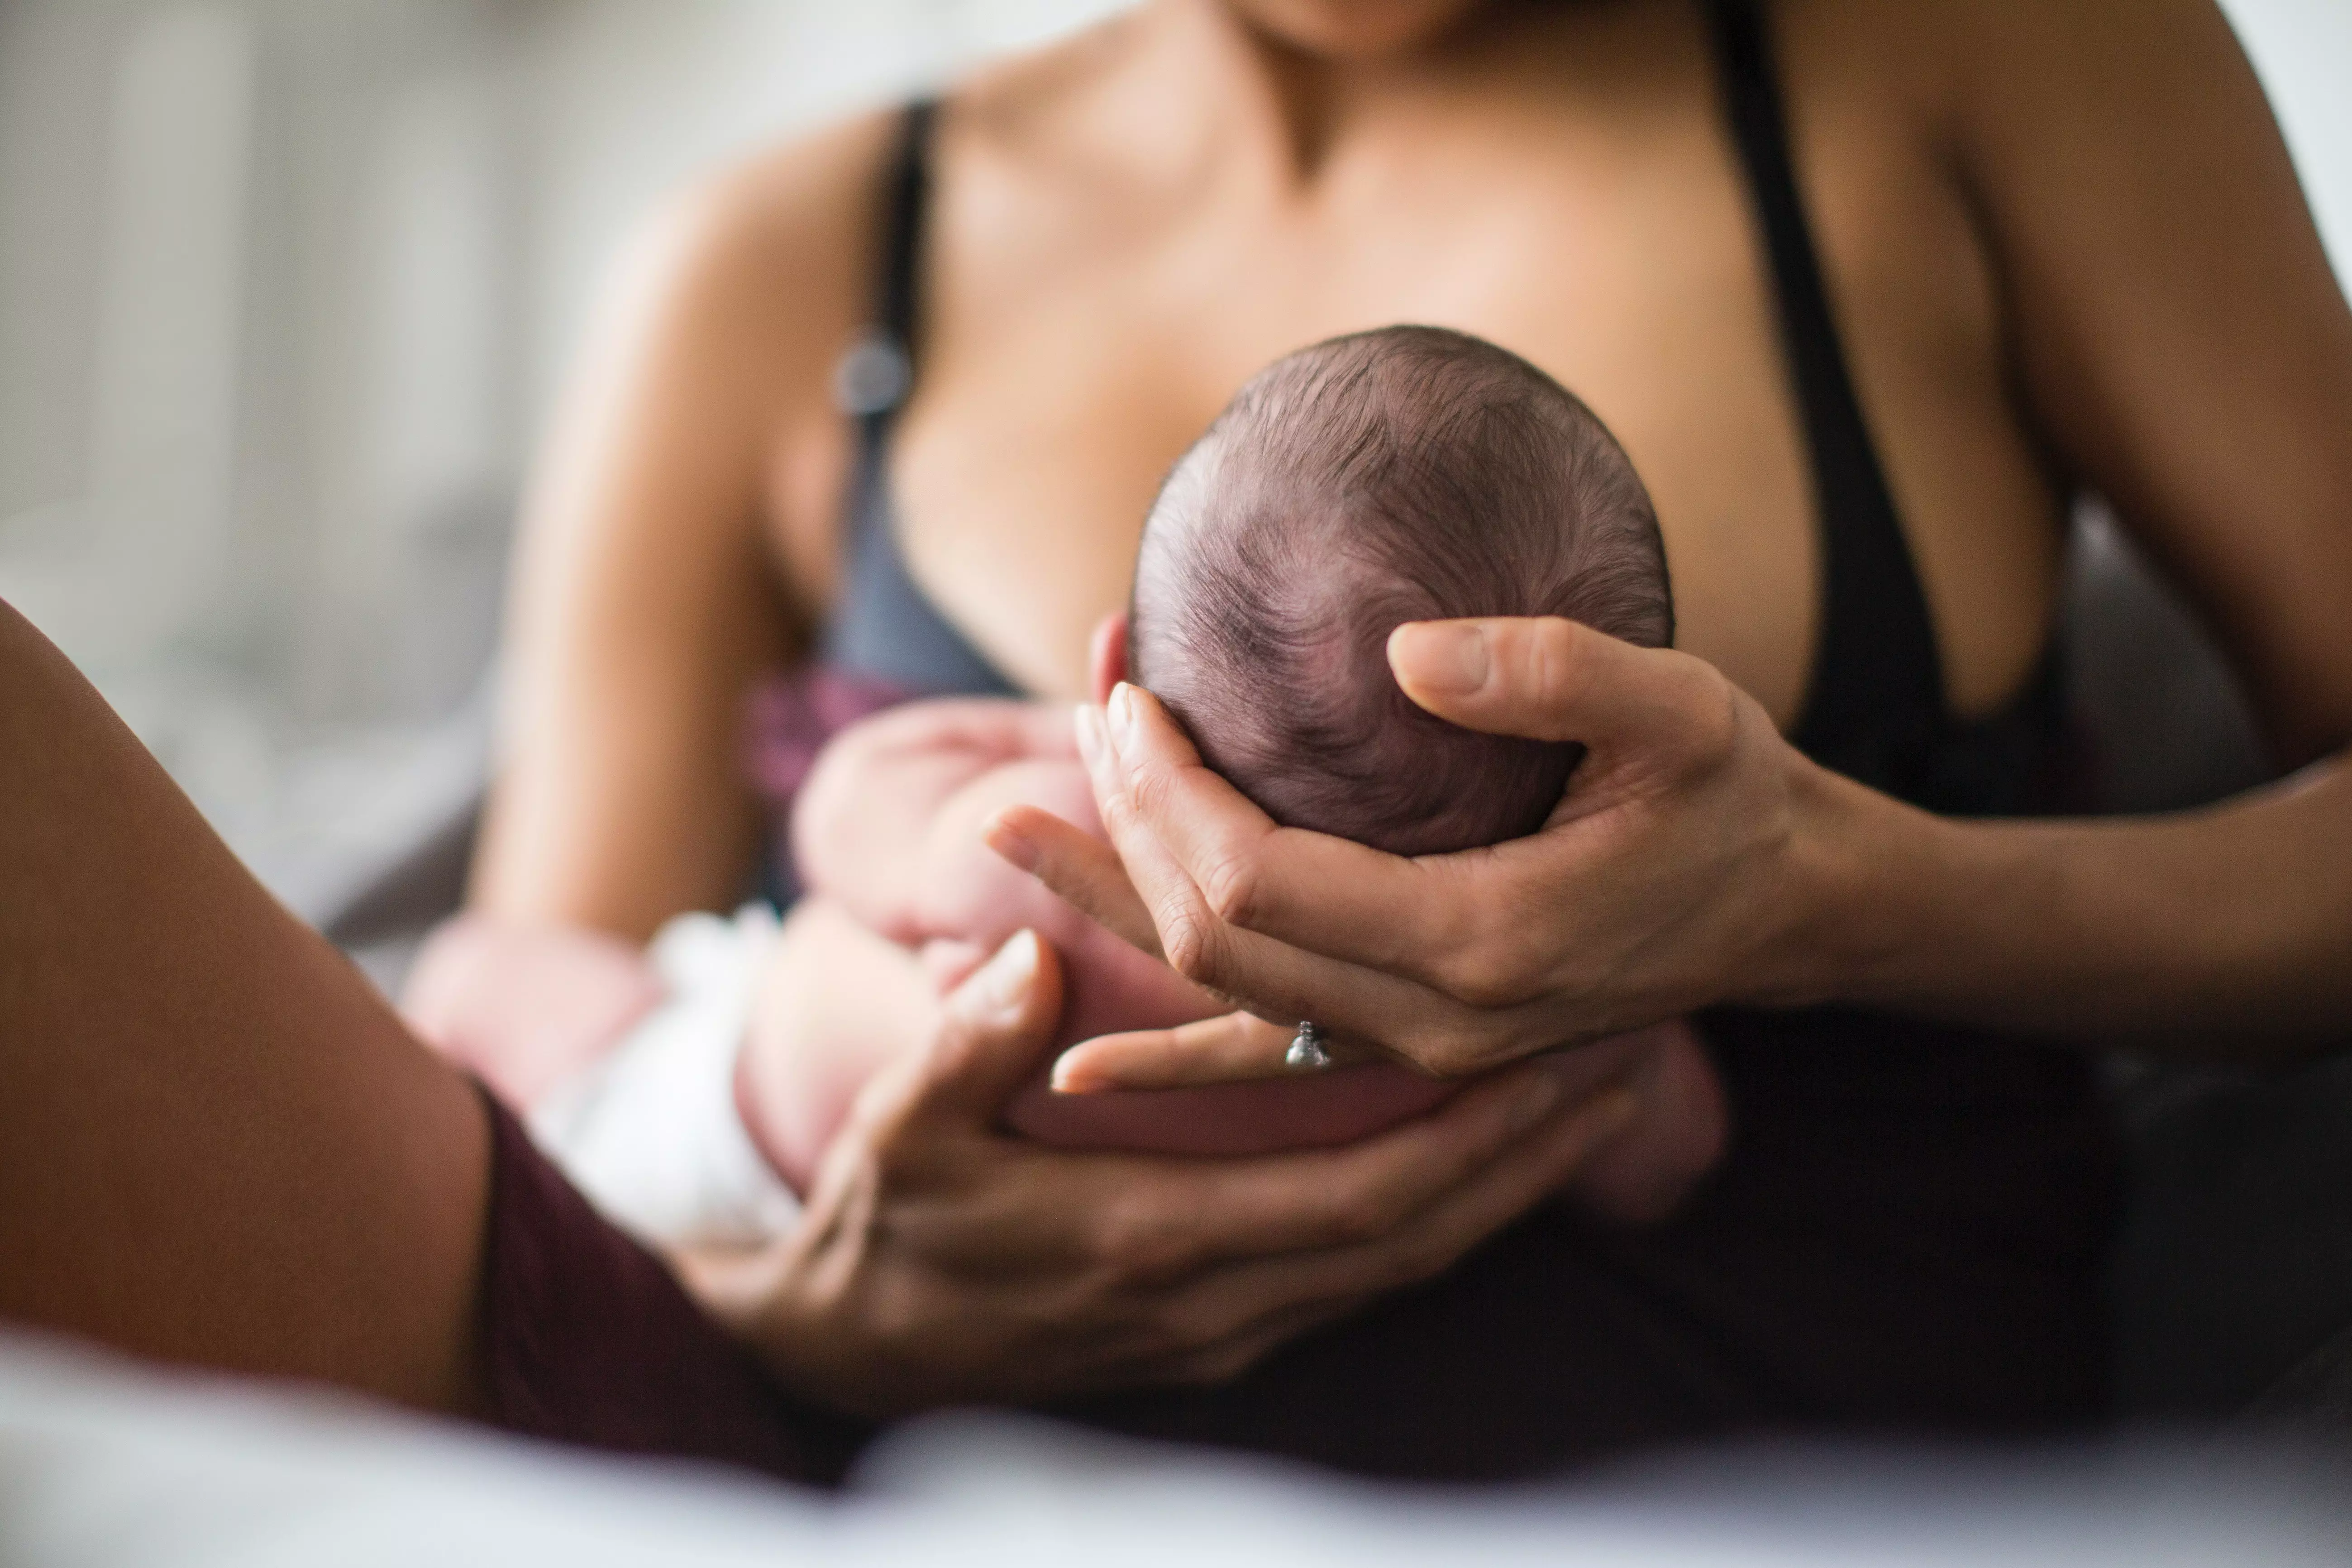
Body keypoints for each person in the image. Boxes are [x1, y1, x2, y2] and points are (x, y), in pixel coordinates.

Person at [4, 0, 2349, 1487]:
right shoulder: (772, 268)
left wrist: (1835, 895)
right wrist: (811, 1304)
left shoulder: (1975, 52)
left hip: (1677, 1441)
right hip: (788, 1411)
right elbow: (533, 1118)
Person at [427, 325, 1722, 1226]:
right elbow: (1673, 1158)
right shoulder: (1542, 998)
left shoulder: (1046, 838)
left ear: (1115, 672)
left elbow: (836, 826)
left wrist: (1050, 741)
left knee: (472, 978)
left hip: (720, 1150)